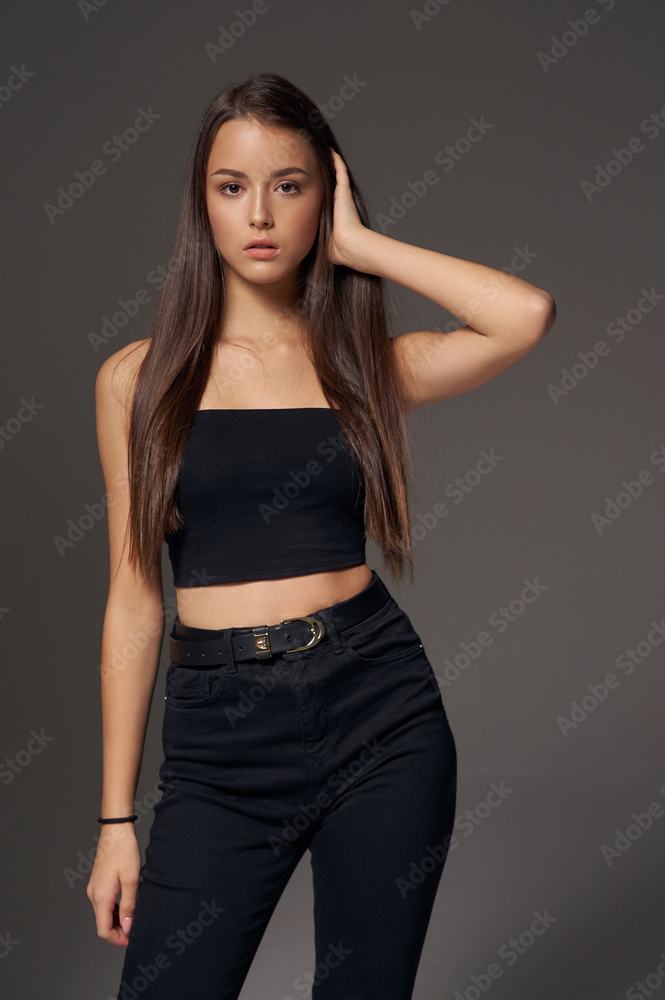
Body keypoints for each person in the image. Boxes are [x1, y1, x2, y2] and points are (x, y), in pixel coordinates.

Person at [86, 72, 556, 1000]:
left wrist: (366, 247)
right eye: (232, 187)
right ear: (202, 204)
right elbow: (135, 599)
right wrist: (113, 820)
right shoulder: (134, 383)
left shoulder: (366, 369)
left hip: (379, 716)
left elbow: (524, 316)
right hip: (221, 742)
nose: (259, 213)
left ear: (324, 198)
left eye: (288, 185)